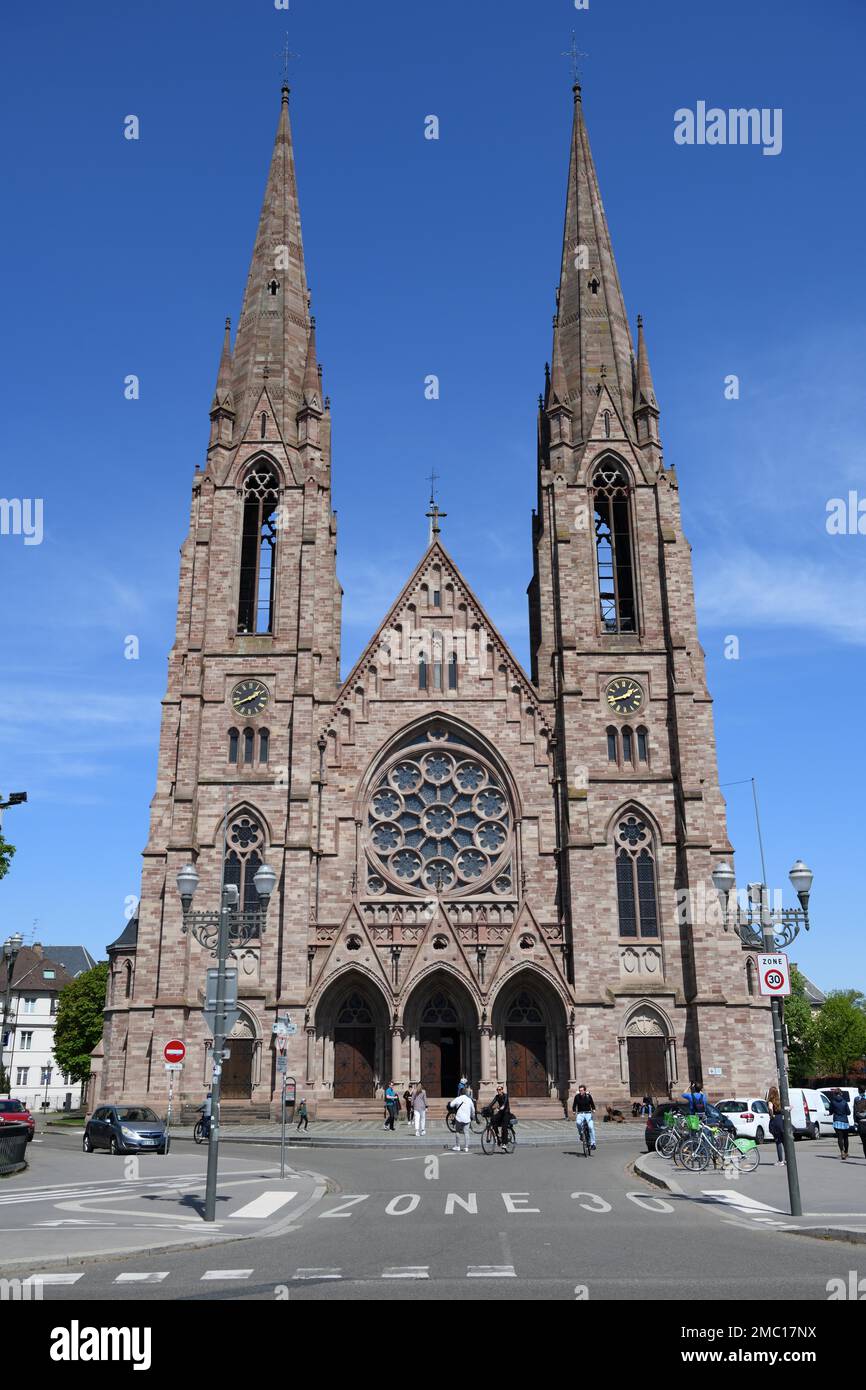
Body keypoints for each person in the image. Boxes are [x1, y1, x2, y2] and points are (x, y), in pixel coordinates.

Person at [827, 1087, 851, 1158]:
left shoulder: (832, 1102)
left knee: (840, 1138)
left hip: (837, 1121)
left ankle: (842, 1152)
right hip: (845, 1122)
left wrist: (832, 1112)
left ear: (835, 1094)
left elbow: (830, 1112)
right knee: (846, 1137)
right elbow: (848, 1112)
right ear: (840, 1093)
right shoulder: (844, 1102)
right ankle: (846, 1152)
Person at [572, 1085, 596, 1150]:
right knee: (578, 1123)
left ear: (585, 1090)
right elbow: (574, 1105)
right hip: (580, 1113)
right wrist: (574, 1111)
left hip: (588, 1113)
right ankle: (581, 1134)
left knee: (591, 1127)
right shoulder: (577, 1097)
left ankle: (593, 1143)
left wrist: (593, 1109)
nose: (580, 1091)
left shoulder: (588, 1096)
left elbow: (592, 1103)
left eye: (582, 1090)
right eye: (580, 1090)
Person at [489, 1083, 512, 1149]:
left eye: (500, 1089)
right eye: (497, 1090)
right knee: (493, 1120)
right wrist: (487, 1107)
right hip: (500, 1113)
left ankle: (505, 1143)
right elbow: (492, 1103)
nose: (498, 1091)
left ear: (502, 1090)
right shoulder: (497, 1096)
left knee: (504, 1127)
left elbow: (505, 1102)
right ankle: (498, 1136)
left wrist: (502, 1106)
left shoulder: (506, 1095)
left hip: (506, 1113)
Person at [768, 1100, 786, 1165]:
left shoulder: (771, 1101)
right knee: (784, 1141)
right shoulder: (779, 1101)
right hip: (782, 1120)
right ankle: (787, 1159)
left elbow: (770, 1108)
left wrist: (771, 1115)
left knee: (778, 1141)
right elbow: (788, 1107)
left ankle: (780, 1160)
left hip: (775, 1121)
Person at [853, 1086, 866, 1160]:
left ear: (858, 1091)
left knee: (864, 1142)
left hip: (861, 1123)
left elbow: (855, 1112)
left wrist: (855, 1123)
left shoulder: (856, 1099)